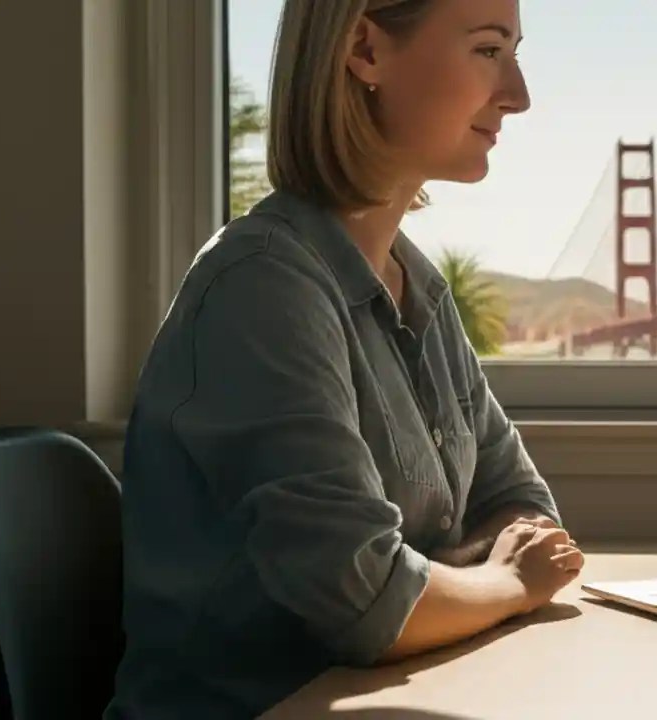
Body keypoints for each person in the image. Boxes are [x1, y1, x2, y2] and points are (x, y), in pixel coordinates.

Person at [104, 1, 584, 717]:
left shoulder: (414, 282)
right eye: (488, 51)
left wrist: (436, 588)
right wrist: (505, 582)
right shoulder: (259, 287)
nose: (518, 93)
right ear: (364, 50)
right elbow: (368, 603)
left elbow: (523, 510)